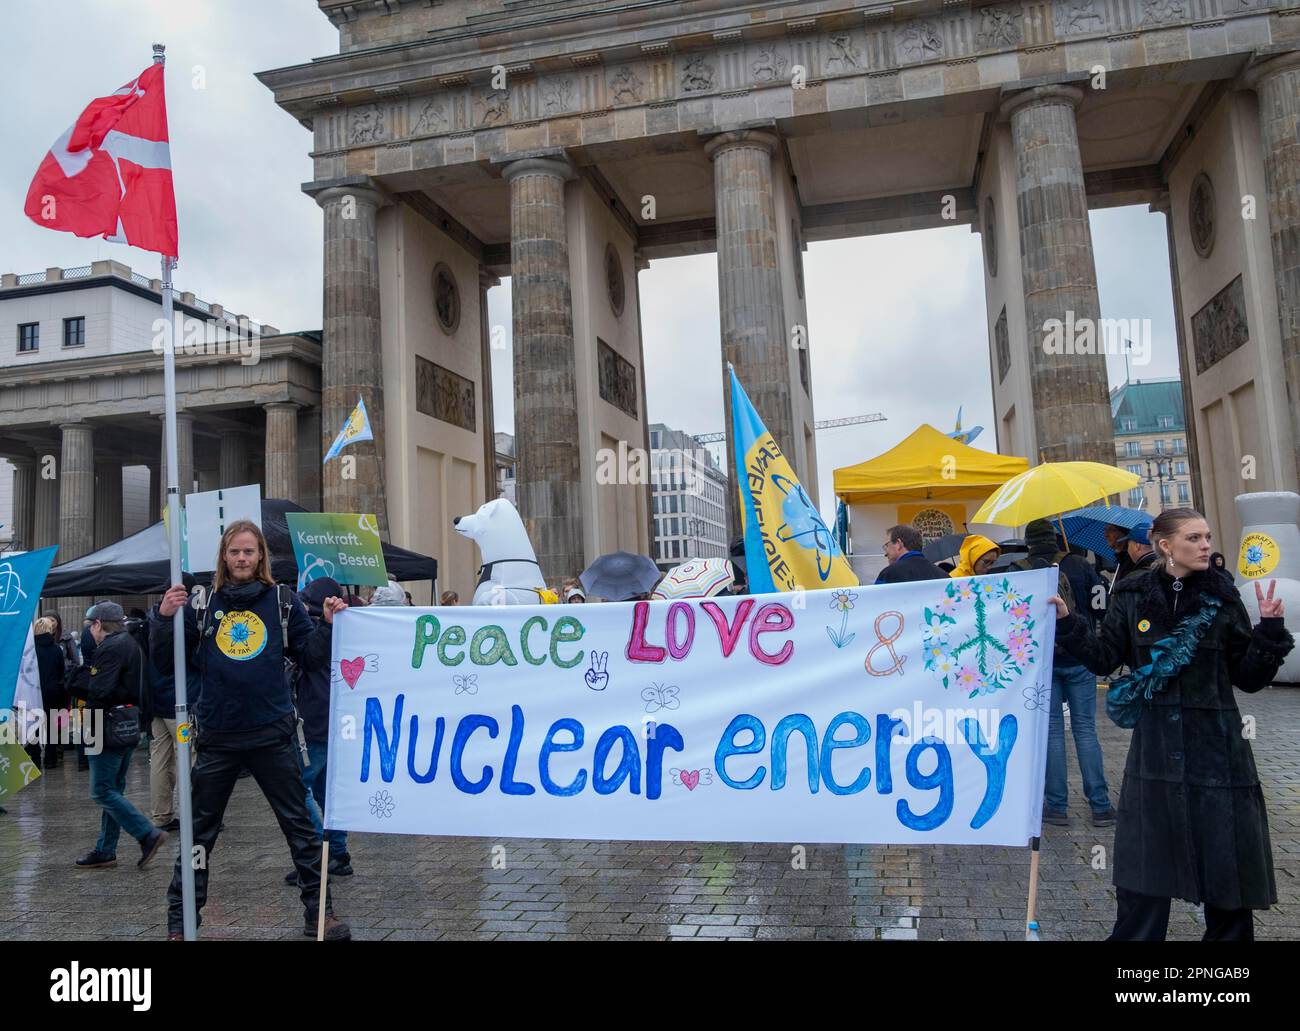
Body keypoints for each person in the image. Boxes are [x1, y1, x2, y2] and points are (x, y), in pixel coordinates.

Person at [1049, 508, 1293, 941]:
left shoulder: (1223, 597)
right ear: (1165, 546)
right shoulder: (1133, 594)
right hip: (1156, 752)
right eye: (1194, 538)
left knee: (1227, 862)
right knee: (1146, 865)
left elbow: (1250, 679)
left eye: (1207, 537)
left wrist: (1270, 632)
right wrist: (1068, 622)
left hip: (1220, 755)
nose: (1205, 546)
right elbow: (1105, 658)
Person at [151, 519, 351, 941]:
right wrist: (164, 617)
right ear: (224, 557)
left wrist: (329, 626)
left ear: (261, 556)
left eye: (249, 551)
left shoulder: (282, 601)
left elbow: (311, 658)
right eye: (235, 551)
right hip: (219, 739)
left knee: (301, 830)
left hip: (272, 735)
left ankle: (321, 915)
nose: (242, 558)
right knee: (198, 836)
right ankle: (181, 921)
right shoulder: (205, 605)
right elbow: (170, 661)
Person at [1015, 519, 1115, 828]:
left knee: (1052, 732)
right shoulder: (1079, 564)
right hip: (1080, 656)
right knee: (1085, 730)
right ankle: (1100, 806)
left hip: (1041, 662)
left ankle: (1056, 806)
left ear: (1029, 541)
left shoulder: (1020, 569)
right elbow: (1102, 608)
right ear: (1056, 537)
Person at [71, 602, 168, 870]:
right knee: (114, 789)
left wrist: (79, 683)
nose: (90, 630)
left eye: (90, 625)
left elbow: (99, 692)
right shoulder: (130, 642)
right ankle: (106, 849)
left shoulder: (111, 648)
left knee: (102, 790)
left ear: (98, 624)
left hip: (106, 726)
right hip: (127, 724)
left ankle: (147, 834)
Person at [286, 577, 352, 885]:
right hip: (338, 717)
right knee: (329, 792)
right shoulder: (349, 628)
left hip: (317, 719)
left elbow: (310, 661)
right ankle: (337, 854)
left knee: (300, 789)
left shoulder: (319, 629)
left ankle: (316, 856)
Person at [31, 616, 70, 769]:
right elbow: (62, 672)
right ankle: (51, 758)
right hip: (53, 692)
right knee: (51, 728)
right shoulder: (56, 649)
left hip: (34, 692)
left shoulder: (30, 650)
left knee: (33, 727)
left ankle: (34, 758)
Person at [874, 525, 947, 584]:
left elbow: (875, 600)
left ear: (899, 544)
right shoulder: (944, 576)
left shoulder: (888, 574)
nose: (886, 553)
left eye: (887, 545)